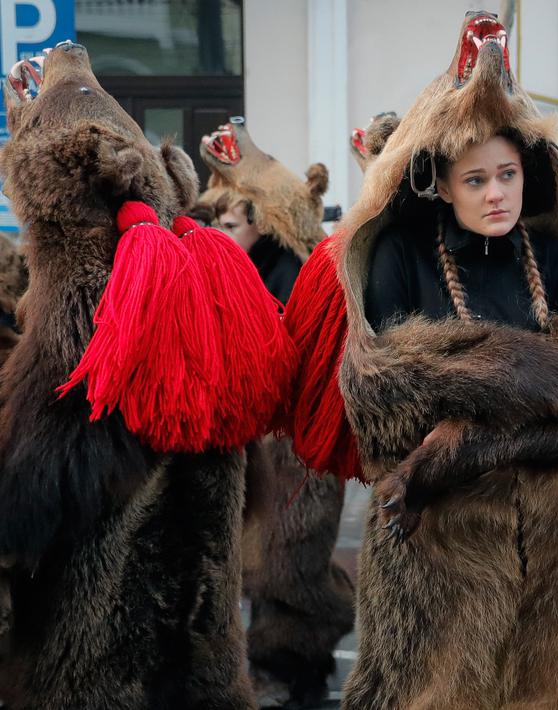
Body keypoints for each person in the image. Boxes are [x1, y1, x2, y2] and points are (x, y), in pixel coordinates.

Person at [297, 11, 558, 709]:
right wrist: (530, 372)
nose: (495, 194)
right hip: (437, 553)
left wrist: (458, 447)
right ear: (443, 186)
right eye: (475, 180)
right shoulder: (398, 258)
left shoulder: (557, 260)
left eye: (506, 175)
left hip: (556, 561)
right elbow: (385, 411)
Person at [198, 117, 354, 709]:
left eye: (232, 221)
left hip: (299, 444)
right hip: (261, 442)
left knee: (288, 563)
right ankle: (280, 668)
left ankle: (299, 668)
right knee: (259, 560)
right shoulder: (246, 268)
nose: (223, 229)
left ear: (264, 223)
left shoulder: (296, 271)